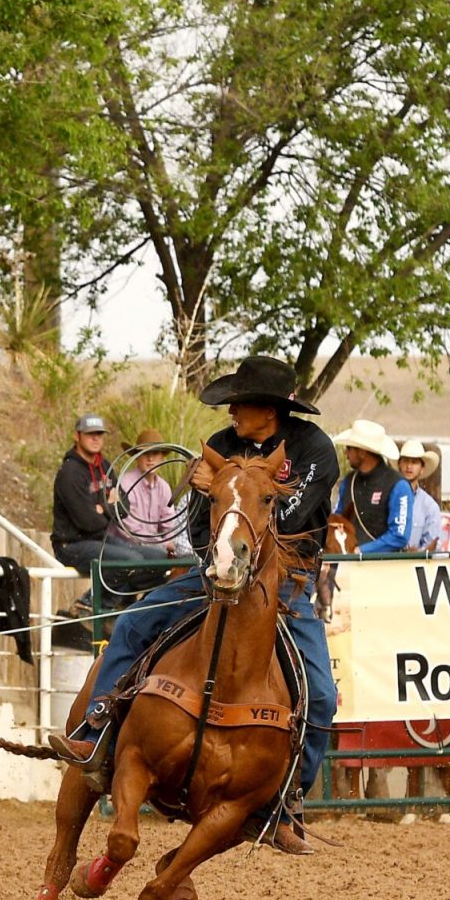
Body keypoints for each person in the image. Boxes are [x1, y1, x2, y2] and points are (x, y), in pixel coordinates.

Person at [49, 355, 340, 856]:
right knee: (135, 622)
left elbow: (291, 518)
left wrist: (236, 494)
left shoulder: (314, 450)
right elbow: (197, 526)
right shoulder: (222, 446)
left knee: (322, 697)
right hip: (215, 571)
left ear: (268, 410)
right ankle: (96, 729)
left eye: (238, 404)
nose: (230, 413)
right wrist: (214, 529)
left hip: (282, 585)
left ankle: (284, 802)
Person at [51, 413, 168, 612]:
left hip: (100, 540)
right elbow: (89, 523)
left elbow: (125, 508)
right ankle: (91, 605)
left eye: (99, 434)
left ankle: (123, 604)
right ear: (77, 436)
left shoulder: (104, 466)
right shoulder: (69, 473)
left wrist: (101, 509)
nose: (96, 438)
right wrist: (110, 505)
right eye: (90, 434)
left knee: (160, 558)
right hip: (71, 544)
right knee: (130, 561)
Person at [331, 419, 413, 555]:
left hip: (383, 568)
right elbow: (337, 520)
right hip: (348, 565)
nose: (346, 454)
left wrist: (361, 551)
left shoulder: (398, 485)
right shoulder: (348, 481)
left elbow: (399, 536)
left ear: (362, 453)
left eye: (349, 449)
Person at [108, 425, 191, 557]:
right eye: (145, 453)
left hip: (152, 546)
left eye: (155, 453)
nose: (150, 459)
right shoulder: (125, 484)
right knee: (159, 554)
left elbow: (169, 525)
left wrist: (173, 544)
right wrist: (165, 545)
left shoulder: (164, 487)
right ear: (137, 457)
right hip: (125, 545)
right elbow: (130, 530)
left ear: (162, 457)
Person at [396, 439, 448, 554]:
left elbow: (432, 544)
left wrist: (417, 553)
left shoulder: (429, 506)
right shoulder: (387, 497)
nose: (409, 466)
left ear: (422, 468)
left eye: (414, 462)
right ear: (399, 464)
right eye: (405, 461)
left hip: (415, 567)